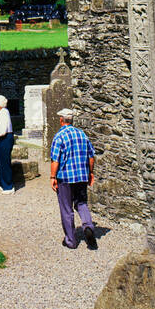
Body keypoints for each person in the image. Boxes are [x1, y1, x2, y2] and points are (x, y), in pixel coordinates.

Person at [49, 107, 97, 249]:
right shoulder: (82, 134)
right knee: (81, 203)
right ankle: (88, 226)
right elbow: (91, 156)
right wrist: (90, 173)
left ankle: (71, 240)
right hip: (81, 176)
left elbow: (55, 160)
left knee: (66, 208)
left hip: (65, 177)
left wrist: (52, 176)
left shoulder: (59, 137)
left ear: (61, 120)